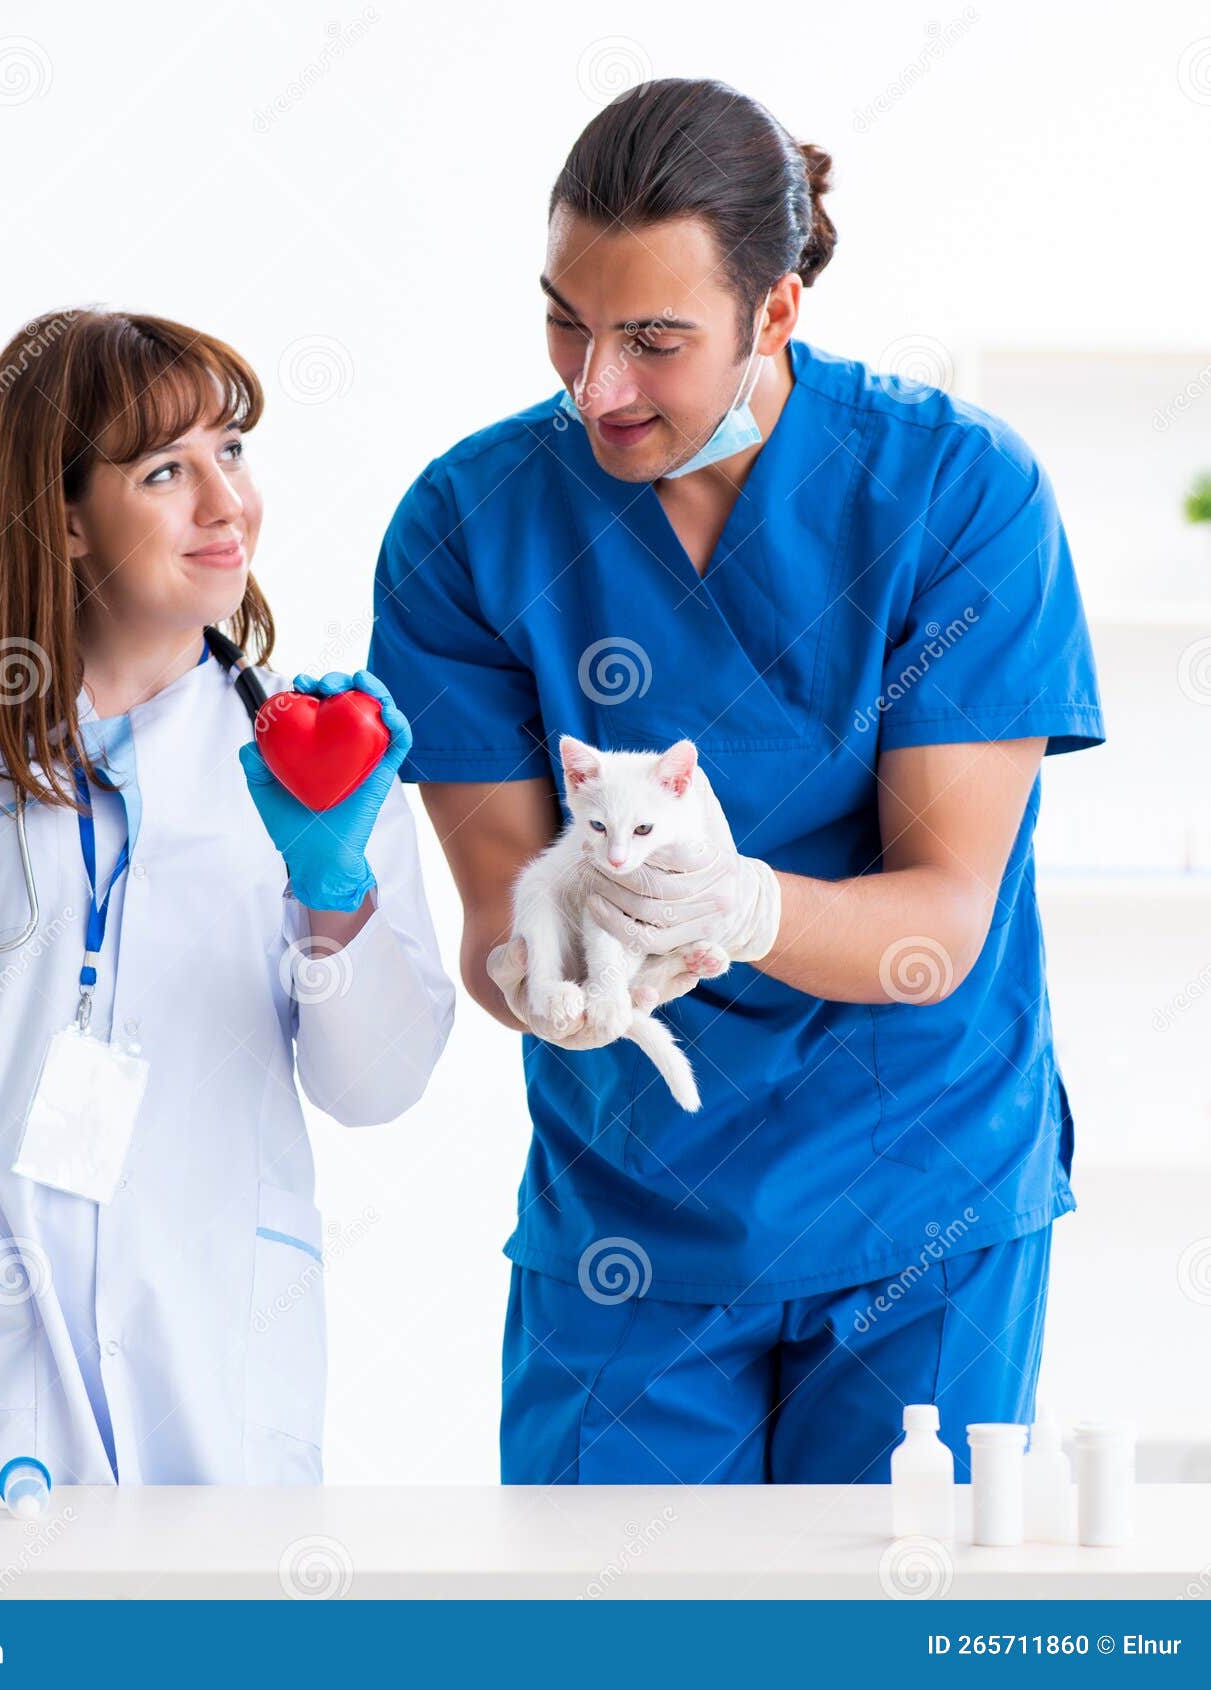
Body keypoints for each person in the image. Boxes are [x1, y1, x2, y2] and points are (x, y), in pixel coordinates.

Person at [368, 79, 1103, 1485]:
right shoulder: (469, 529)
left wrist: (744, 907)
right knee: (614, 1634)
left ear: (774, 313)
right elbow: (494, 922)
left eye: (652, 338)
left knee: (885, 1625)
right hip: (631, 1215)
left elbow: (935, 925)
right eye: (564, 324)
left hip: (919, 1189)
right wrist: (550, 986)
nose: (597, 387)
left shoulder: (951, 496)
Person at [0, 308, 454, 1486]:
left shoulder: (318, 754)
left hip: (212, 1364)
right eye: (167, 470)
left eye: (232, 449)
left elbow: (374, 1086)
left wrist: (335, 884)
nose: (225, 504)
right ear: (62, 517)